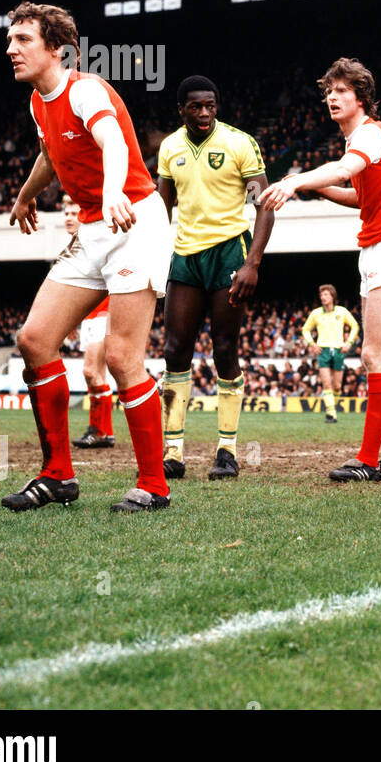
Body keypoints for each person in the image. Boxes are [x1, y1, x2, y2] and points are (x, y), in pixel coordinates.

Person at [3, 1, 171, 513]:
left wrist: (117, 191)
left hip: (134, 221)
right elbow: (52, 155)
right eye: (10, 41)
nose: (11, 49)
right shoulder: (38, 102)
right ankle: (57, 475)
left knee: (122, 358)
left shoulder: (86, 88)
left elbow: (114, 142)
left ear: (57, 48)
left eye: (23, 40)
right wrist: (27, 193)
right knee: (34, 339)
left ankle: (154, 486)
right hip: (95, 230)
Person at [260, 58, 381, 484]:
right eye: (329, 91)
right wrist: (314, 188)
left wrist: (297, 180)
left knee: (373, 355)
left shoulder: (370, 134)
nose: (332, 97)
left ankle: (368, 460)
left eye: (341, 90)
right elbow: (359, 196)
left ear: (361, 98)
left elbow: (345, 169)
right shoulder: (364, 140)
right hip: (378, 244)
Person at [157, 75, 275, 482]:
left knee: (224, 348)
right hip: (186, 256)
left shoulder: (240, 142)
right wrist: (153, 257)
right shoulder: (170, 147)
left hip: (229, 251)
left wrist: (253, 263)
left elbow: (265, 204)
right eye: (195, 107)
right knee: (174, 350)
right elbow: (161, 207)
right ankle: (172, 452)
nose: (205, 113)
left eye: (210, 105)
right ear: (181, 110)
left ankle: (227, 451)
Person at [62, 197, 115, 449]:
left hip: (105, 315)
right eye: (66, 213)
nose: (69, 218)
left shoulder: (97, 242)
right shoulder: (76, 247)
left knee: (90, 372)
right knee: (95, 375)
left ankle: (100, 430)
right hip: (90, 317)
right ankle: (103, 431)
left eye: (74, 213)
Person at [301, 283, 360, 422]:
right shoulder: (316, 313)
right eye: (321, 295)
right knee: (326, 384)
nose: (323, 297)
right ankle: (331, 414)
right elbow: (305, 329)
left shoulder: (342, 311)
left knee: (337, 386)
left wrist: (349, 343)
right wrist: (312, 344)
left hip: (339, 350)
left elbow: (355, 326)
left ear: (332, 296)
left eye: (326, 294)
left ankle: (332, 407)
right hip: (324, 350)